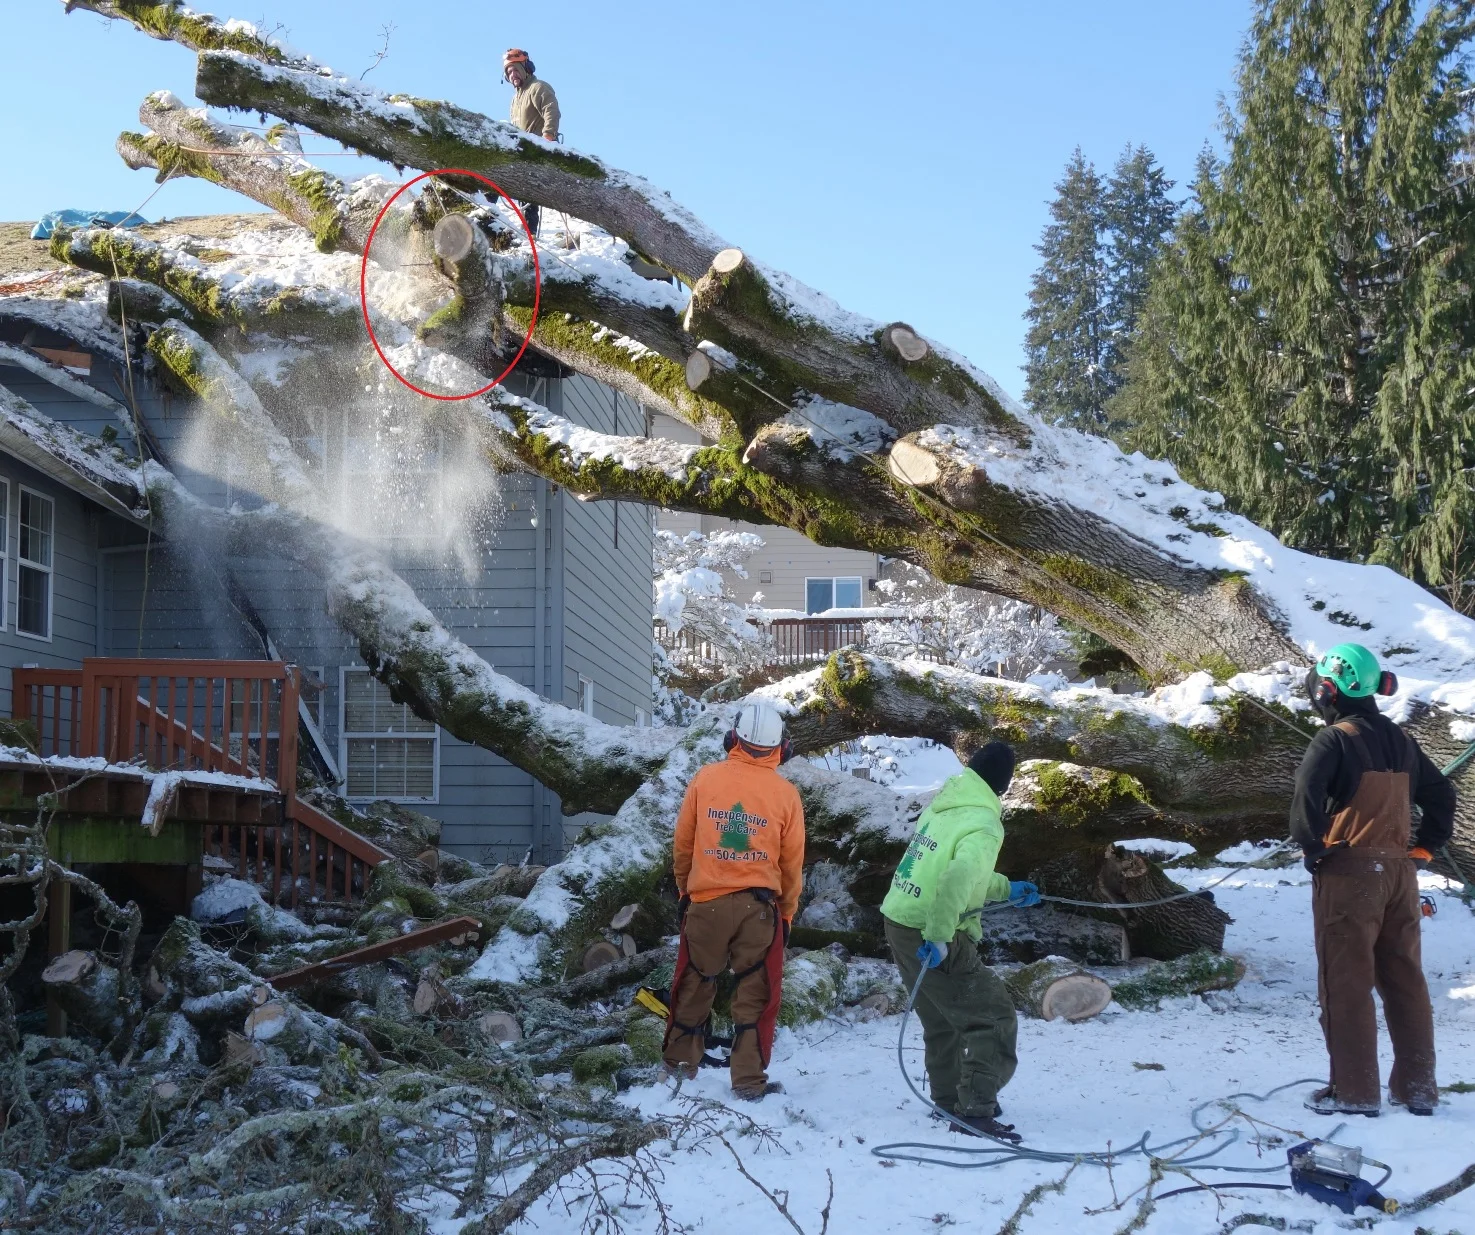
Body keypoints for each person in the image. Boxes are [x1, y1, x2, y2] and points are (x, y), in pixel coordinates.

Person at [1290, 643, 1455, 1117]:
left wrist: (1312, 845)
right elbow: (1442, 793)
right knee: (1405, 979)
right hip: (1400, 876)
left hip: (1350, 876)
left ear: (1329, 690)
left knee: (1346, 982)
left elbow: (1306, 796)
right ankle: (1418, 1089)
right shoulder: (1402, 741)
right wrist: (1424, 848)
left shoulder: (1332, 740)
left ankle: (1354, 1092)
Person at [881, 741, 1037, 1143]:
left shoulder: (943, 807)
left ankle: (949, 1100)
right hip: (930, 928)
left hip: (898, 919)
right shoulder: (984, 824)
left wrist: (1006, 889)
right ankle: (974, 1112)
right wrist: (939, 937)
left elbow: (954, 872)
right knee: (993, 1019)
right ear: (1002, 787)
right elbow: (955, 879)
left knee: (940, 1020)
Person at [662, 699, 805, 1101]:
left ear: (734, 739)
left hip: (705, 903)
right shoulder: (785, 794)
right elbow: (792, 865)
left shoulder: (705, 779)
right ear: (780, 747)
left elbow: (684, 846)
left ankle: (677, 1067)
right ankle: (748, 1082)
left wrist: (684, 891)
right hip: (758, 911)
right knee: (755, 996)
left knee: (693, 983)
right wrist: (788, 912)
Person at [502, 48, 560, 237]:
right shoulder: (515, 99)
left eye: (516, 70)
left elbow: (551, 110)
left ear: (526, 68)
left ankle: (530, 234)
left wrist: (548, 137)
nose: (513, 75)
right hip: (521, 152)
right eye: (509, 72)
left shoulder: (538, 88)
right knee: (515, 190)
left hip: (536, 150)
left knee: (528, 194)